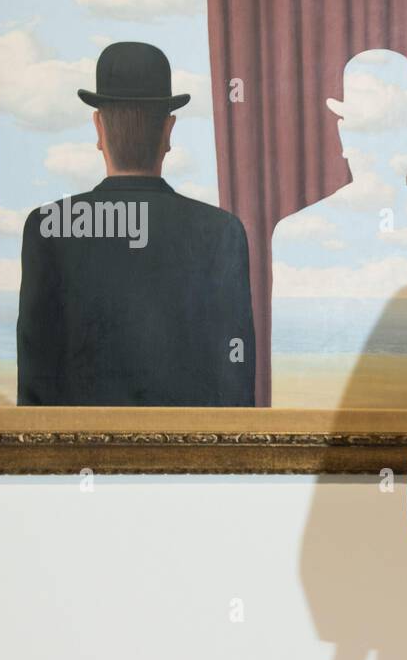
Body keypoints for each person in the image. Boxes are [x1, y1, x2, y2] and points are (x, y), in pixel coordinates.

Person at [17, 41, 256, 406]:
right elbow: (236, 387)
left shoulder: (49, 227)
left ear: (98, 128)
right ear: (168, 131)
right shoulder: (222, 233)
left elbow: (35, 388)